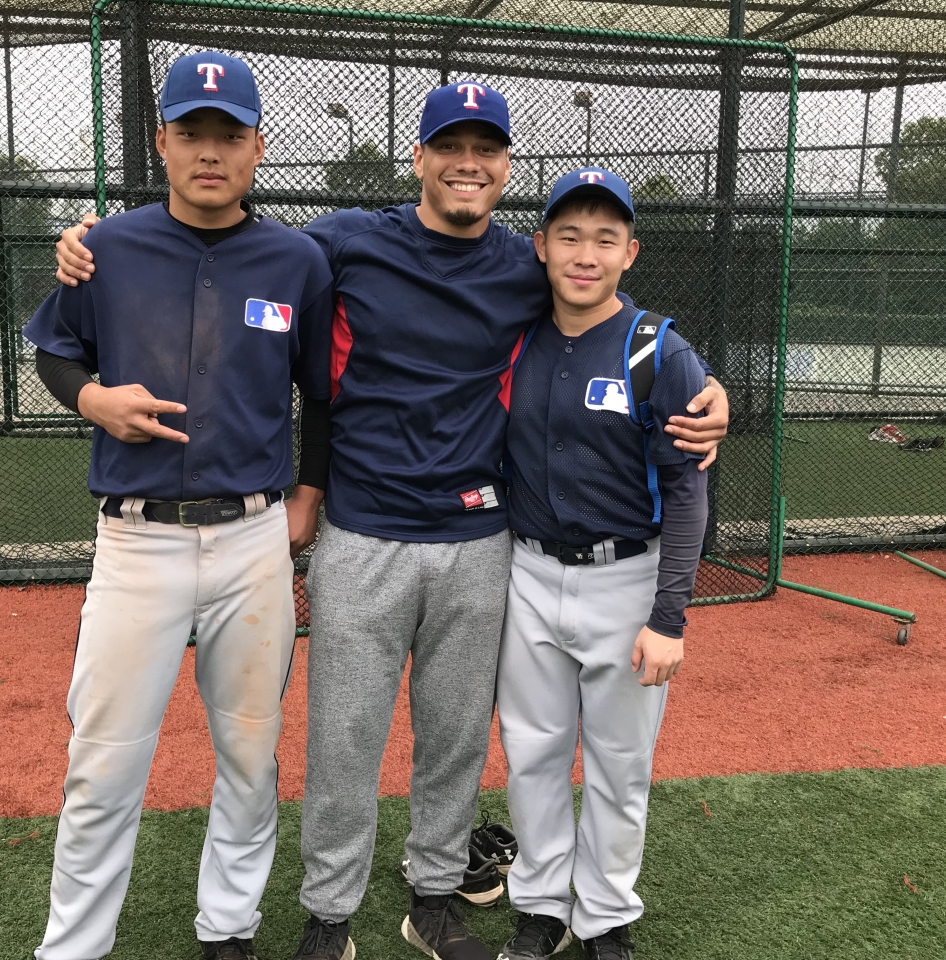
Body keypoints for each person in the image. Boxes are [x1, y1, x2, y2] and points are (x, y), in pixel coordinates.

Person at [53, 82, 729, 960]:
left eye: (486, 150)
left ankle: (434, 895)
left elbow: (598, 304)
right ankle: (328, 914)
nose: (467, 163)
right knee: (343, 741)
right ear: (419, 158)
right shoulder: (343, 241)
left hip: (479, 542)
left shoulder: (529, 265)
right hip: (362, 536)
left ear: (505, 169)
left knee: (454, 743)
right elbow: (238, 243)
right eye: (450, 146)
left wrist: (699, 388)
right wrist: (85, 244)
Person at [24, 52, 333, 960]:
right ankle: (74, 947)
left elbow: (321, 391)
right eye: (191, 131)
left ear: (257, 147)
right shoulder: (106, 247)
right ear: (160, 142)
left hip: (252, 537)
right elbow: (55, 351)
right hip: (136, 543)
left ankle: (228, 928)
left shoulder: (298, 259)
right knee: (104, 760)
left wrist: (308, 492)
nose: (210, 151)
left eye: (228, 134)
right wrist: (93, 400)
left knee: (249, 752)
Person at [495, 169, 708, 960]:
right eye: (570, 236)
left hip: (626, 577)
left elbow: (689, 493)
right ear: (542, 245)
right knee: (533, 751)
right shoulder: (514, 330)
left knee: (620, 765)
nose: (586, 254)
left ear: (631, 253)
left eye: (606, 239)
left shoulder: (660, 347)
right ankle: (543, 906)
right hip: (527, 570)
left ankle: (607, 915)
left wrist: (668, 617)